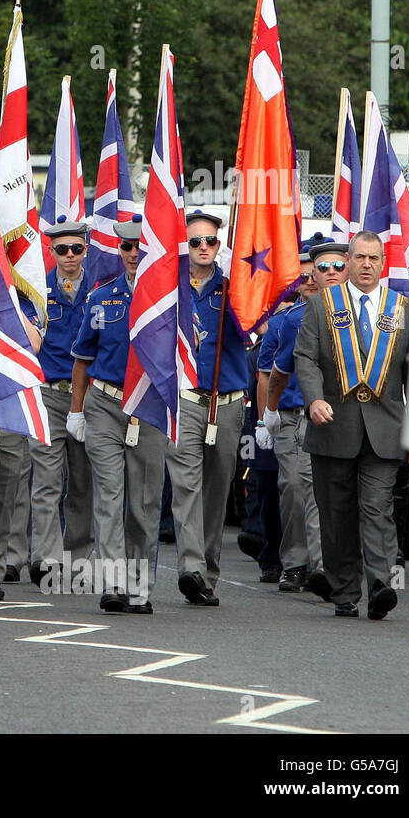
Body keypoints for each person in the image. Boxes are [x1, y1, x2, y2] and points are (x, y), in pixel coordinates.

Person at [293, 231, 409, 620]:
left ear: (383, 264)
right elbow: (306, 357)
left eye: (373, 258)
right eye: (359, 257)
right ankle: (345, 591)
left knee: (377, 507)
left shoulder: (402, 309)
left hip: (386, 430)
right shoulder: (321, 306)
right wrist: (314, 398)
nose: (366, 264)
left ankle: (381, 584)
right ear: (347, 261)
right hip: (333, 427)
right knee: (336, 513)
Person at [68, 214, 163, 614]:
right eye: (126, 246)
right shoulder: (99, 298)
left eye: (140, 246)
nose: (132, 253)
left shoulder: (169, 301)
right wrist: (76, 411)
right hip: (105, 404)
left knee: (142, 504)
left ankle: (139, 586)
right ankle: (112, 583)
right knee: (109, 495)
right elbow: (82, 359)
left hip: (150, 406)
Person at [166, 210, 246, 607]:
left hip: (227, 401)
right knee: (186, 487)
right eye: (195, 241)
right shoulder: (169, 284)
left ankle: (208, 571)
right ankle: (191, 568)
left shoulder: (235, 286)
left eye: (210, 241)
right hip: (185, 398)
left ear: (220, 244)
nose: (203, 248)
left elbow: (257, 328)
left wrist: (244, 286)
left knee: (216, 490)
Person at [23, 216, 95, 587]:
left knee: (83, 481)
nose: (70, 256)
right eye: (62, 249)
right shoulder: (36, 291)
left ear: (86, 250)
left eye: (77, 249)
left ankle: (79, 557)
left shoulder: (100, 290)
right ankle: (46, 558)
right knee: (47, 481)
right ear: (50, 252)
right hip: (49, 395)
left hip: (88, 399)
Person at [259, 247, 332, 591]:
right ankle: (294, 561)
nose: (312, 280)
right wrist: (266, 417)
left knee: (320, 491)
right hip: (293, 414)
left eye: (335, 266)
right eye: (304, 276)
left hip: (335, 417)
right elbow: (272, 373)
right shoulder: (289, 320)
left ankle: (322, 566)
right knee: (291, 487)